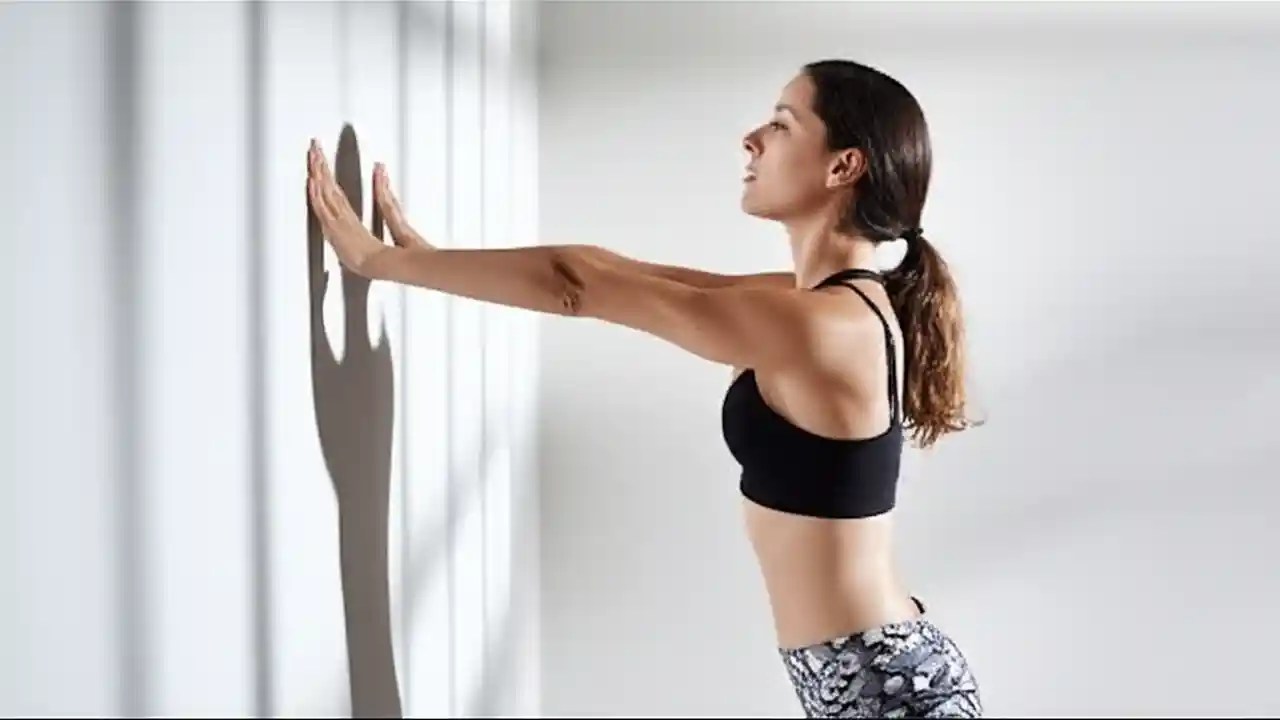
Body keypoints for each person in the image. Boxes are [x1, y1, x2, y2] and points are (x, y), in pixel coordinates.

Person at [306, 57, 983, 719]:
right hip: (868, 678)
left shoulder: (823, 326)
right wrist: (428, 259)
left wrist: (378, 260)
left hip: (888, 692)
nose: (752, 139)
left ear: (843, 166)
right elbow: (626, 275)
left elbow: (577, 287)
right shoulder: (816, 305)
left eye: (782, 124)